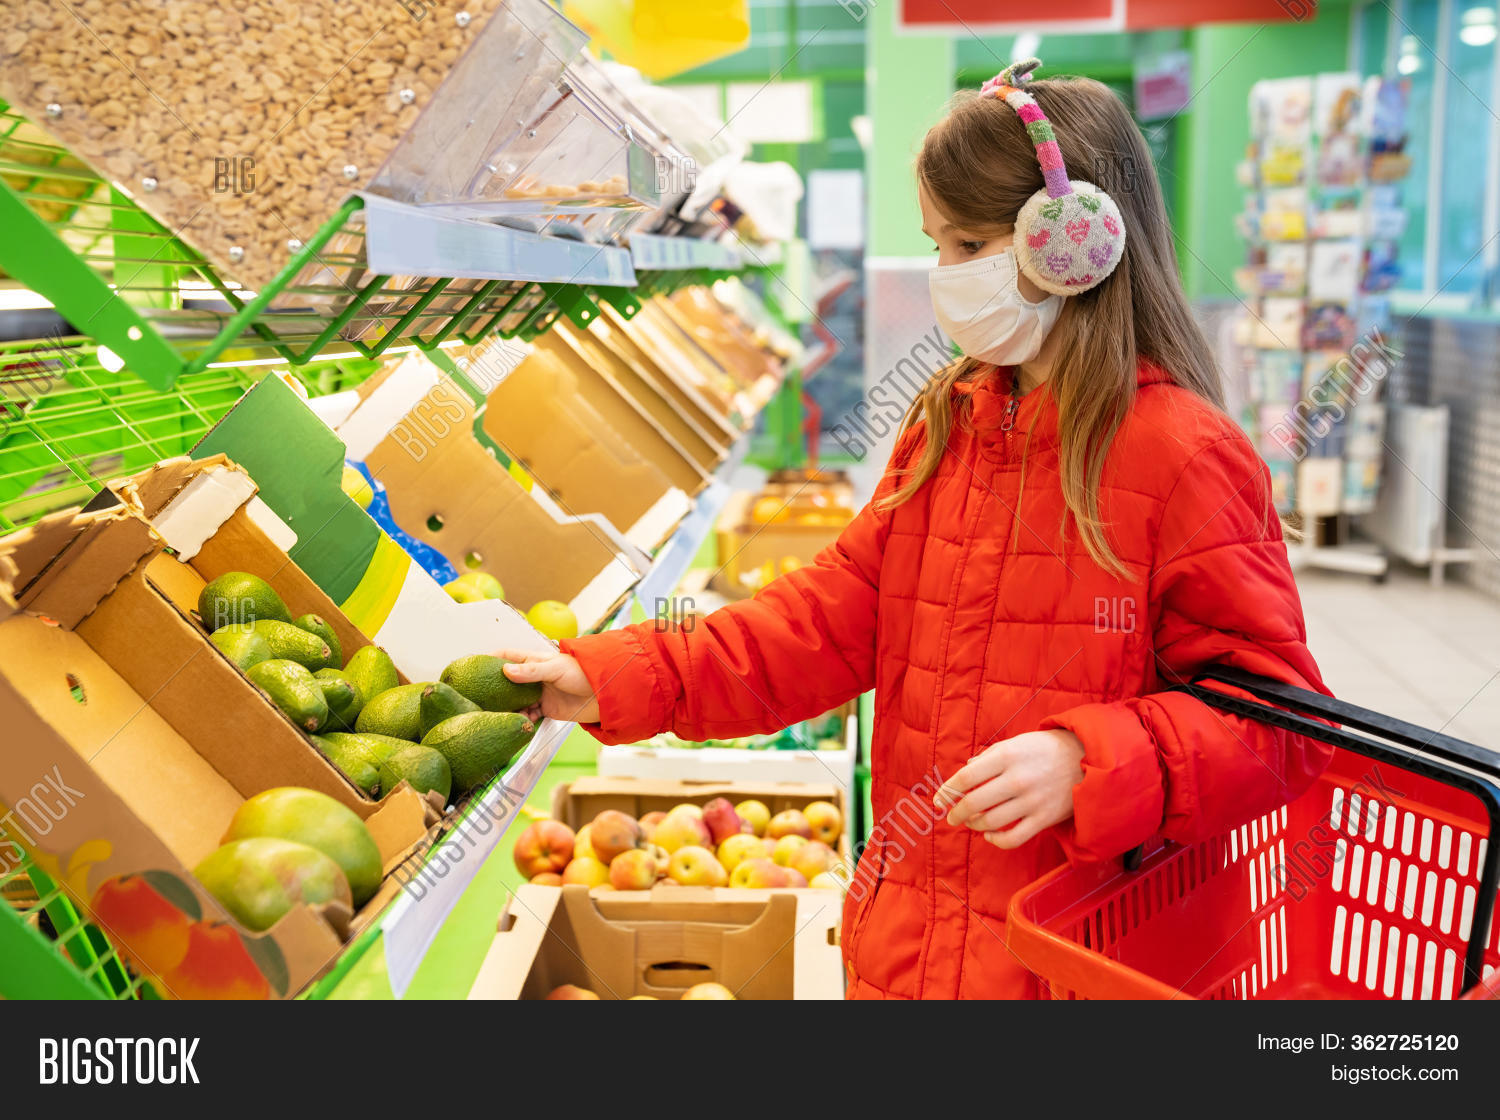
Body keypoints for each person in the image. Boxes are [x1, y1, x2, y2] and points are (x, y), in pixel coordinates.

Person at [501, 60, 1330, 1000]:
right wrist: (614, 673)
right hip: (914, 949)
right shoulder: (950, 423)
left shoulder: (1185, 456)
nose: (944, 276)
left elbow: (1281, 729)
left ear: (1074, 246)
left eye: (966, 243)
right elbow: (821, 622)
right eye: (936, 245)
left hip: (1085, 964)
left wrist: (1089, 763)